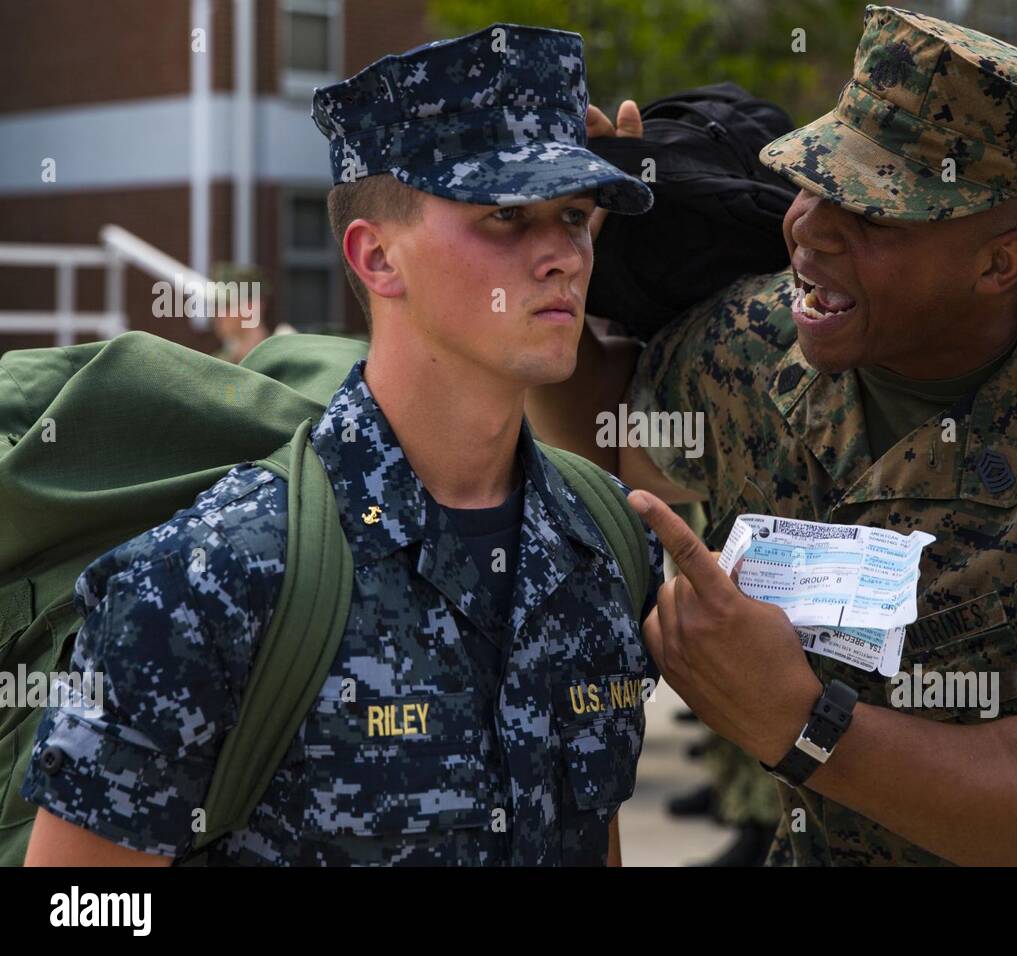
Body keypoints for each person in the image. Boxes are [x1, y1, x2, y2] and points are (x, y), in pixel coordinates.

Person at [531, 4, 1017, 865]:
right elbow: (602, 437)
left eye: (874, 217)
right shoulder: (764, 339)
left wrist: (802, 727)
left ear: (999, 262)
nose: (810, 230)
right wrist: (557, 254)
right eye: (813, 183)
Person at [21, 23, 662, 867]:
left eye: (575, 216)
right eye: (506, 216)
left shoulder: (608, 540)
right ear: (375, 257)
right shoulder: (207, 580)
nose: (562, 257)